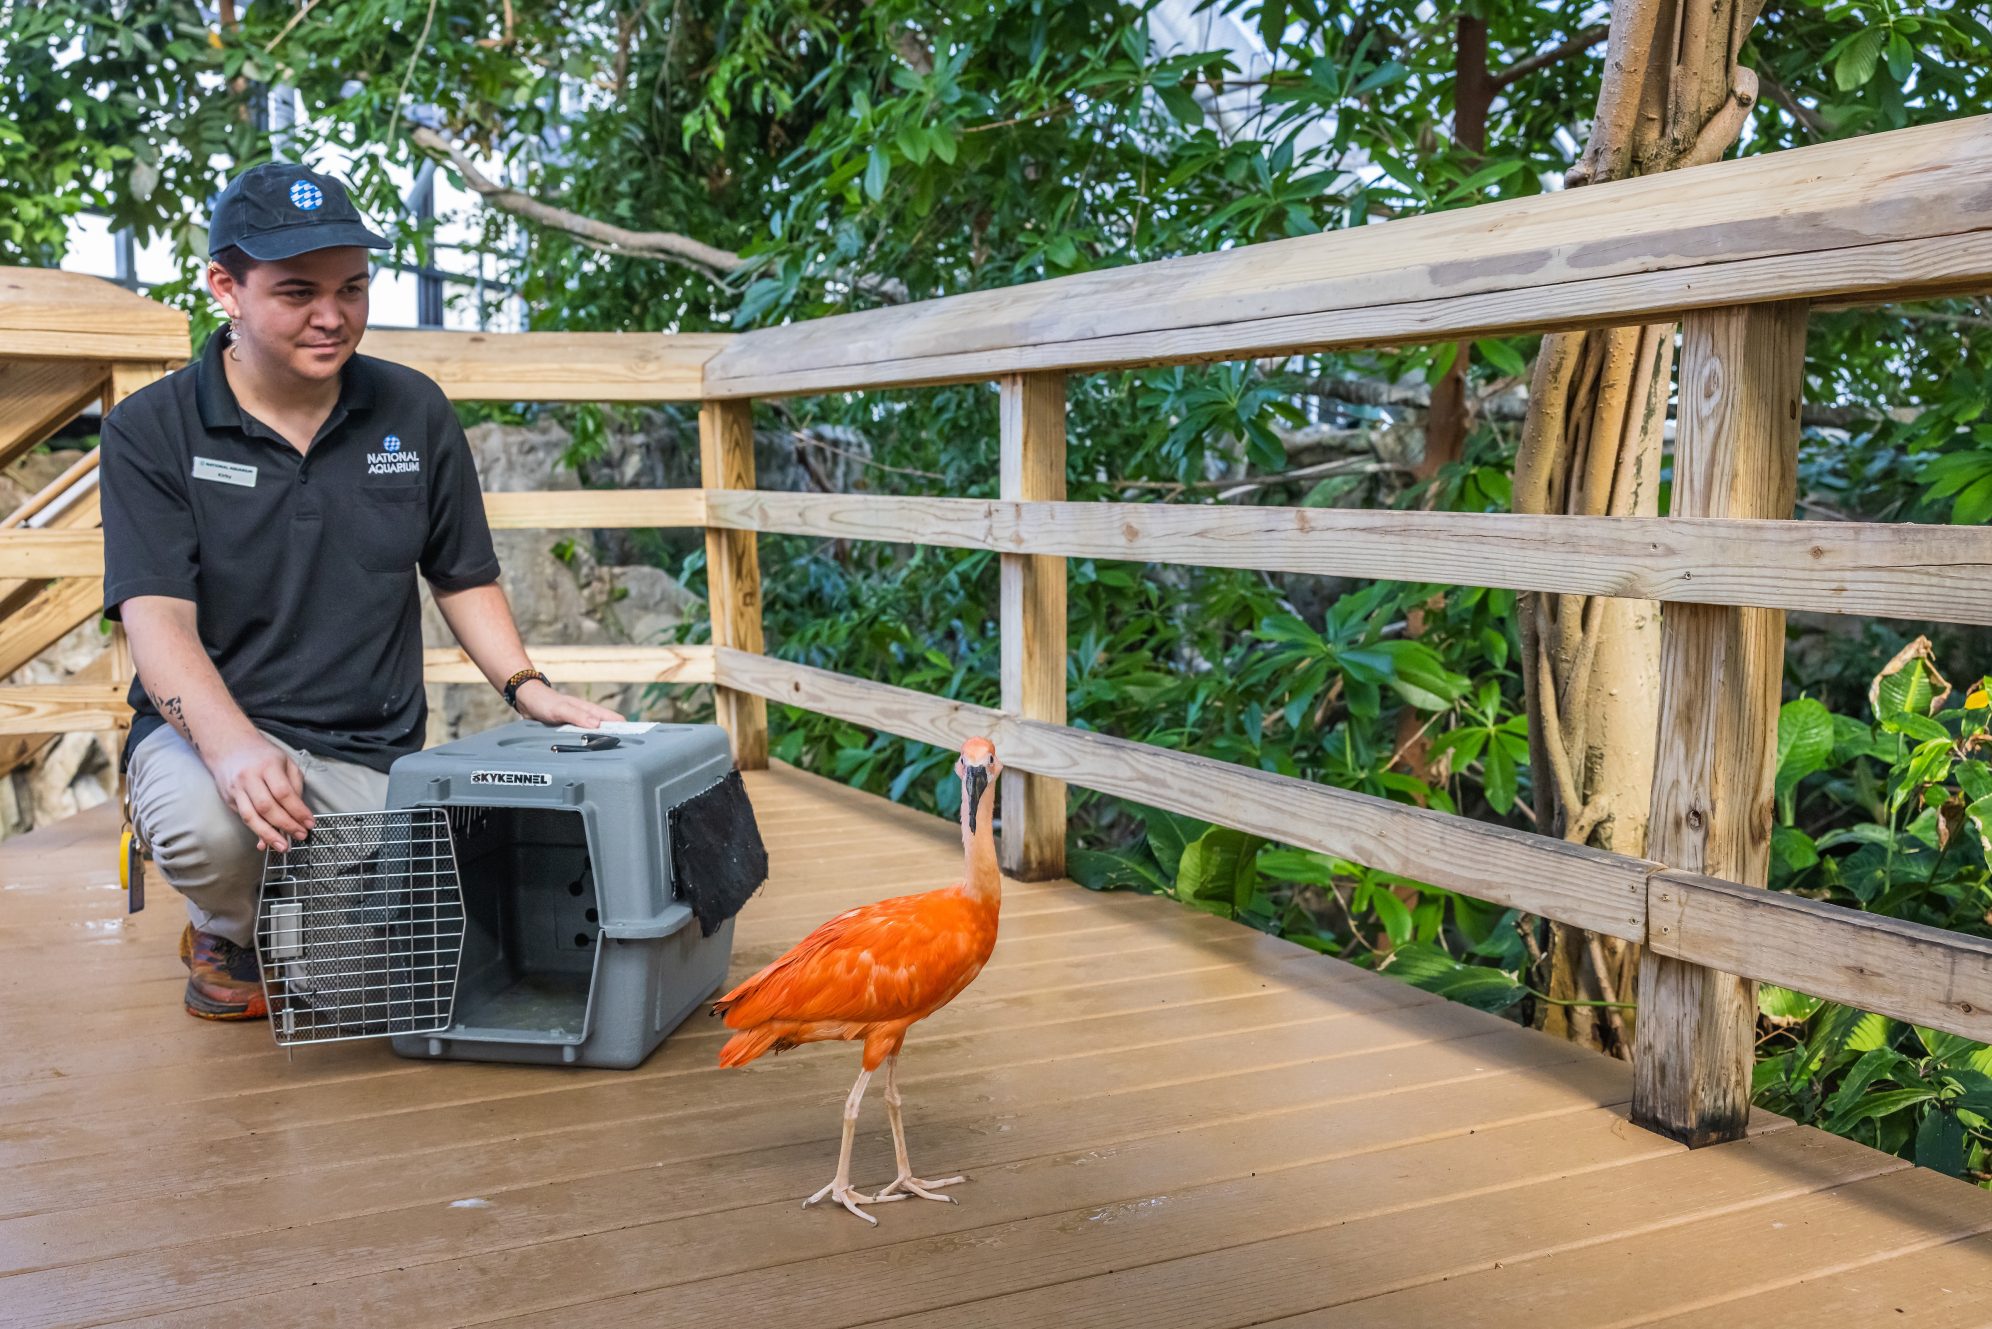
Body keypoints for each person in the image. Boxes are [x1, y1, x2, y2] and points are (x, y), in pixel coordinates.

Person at [101, 162, 623, 1020]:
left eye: (352, 287)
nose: (333, 315)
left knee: (429, 951)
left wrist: (529, 688)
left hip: (369, 752)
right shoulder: (151, 428)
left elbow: (462, 573)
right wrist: (232, 750)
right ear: (225, 287)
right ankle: (227, 927)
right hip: (208, 737)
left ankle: (298, 918)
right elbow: (157, 624)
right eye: (298, 292)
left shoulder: (413, 409)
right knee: (211, 829)